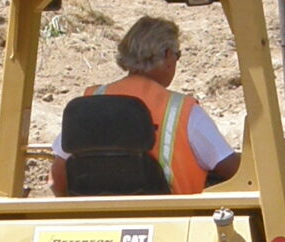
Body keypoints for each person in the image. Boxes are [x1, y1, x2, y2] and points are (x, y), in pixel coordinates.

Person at [48, 15, 241, 195]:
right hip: (173, 223)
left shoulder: (88, 103)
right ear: (166, 55)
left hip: (93, 224)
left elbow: (57, 177)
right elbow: (234, 170)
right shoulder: (183, 111)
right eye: (177, 55)